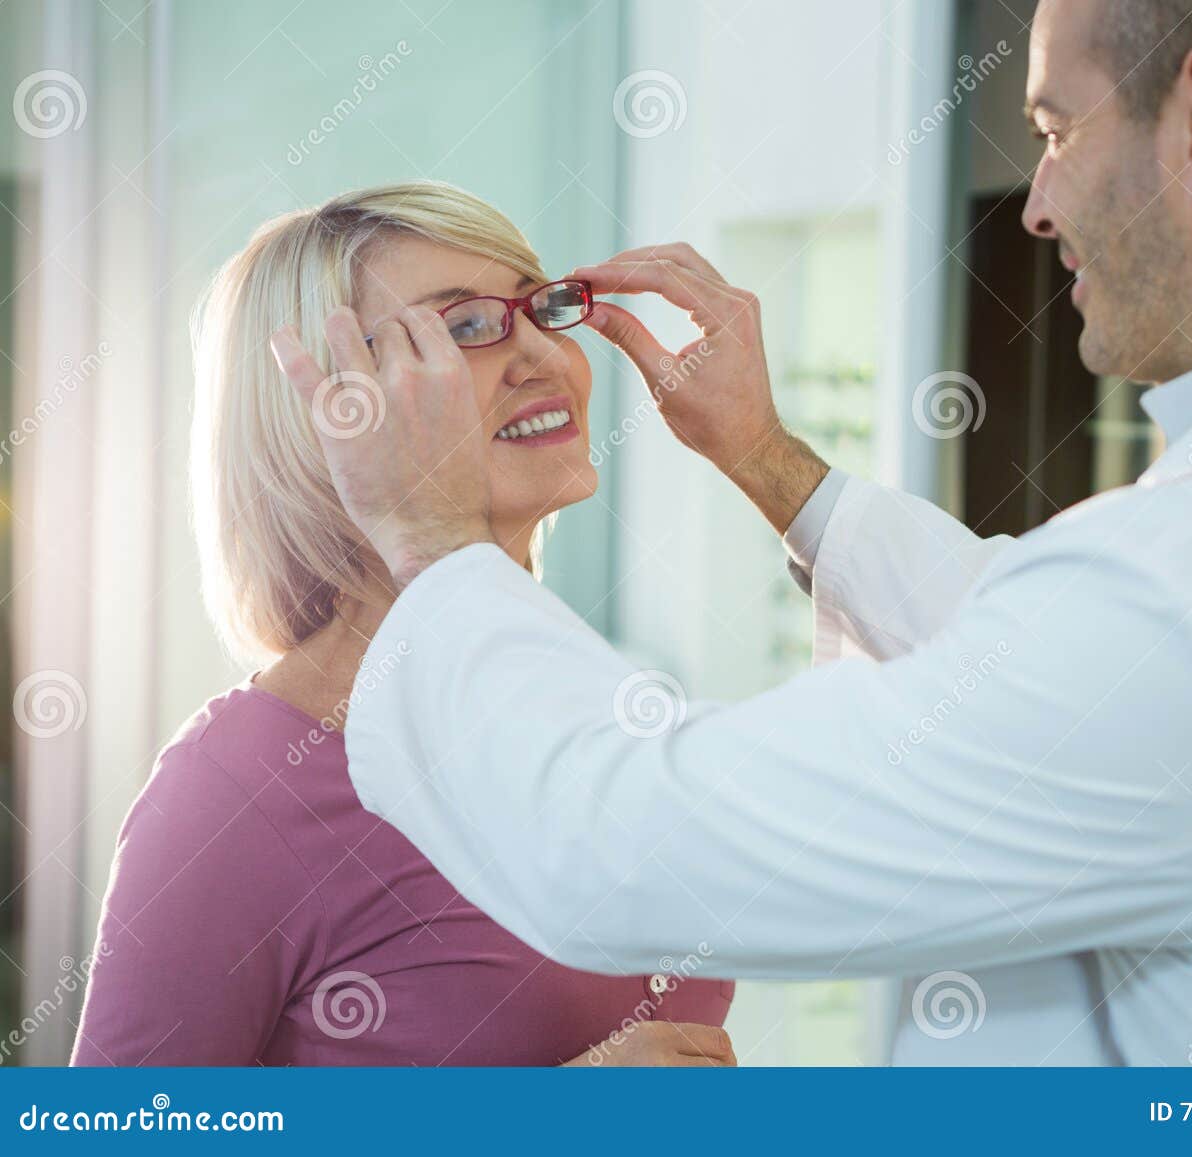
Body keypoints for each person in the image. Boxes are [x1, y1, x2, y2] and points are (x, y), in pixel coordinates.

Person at [276, 0, 1192, 1065]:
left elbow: (614, 838)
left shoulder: (1190, 611)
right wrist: (773, 466)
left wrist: (424, 527)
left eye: (1057, 128)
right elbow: (1049, 649)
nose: (1035, 204)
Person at [72, 182, 735, 1067]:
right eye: (461, 329)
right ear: (328, 418)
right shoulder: (234, 796)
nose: (543, 355)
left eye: (541, 309)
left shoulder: (602, 719)